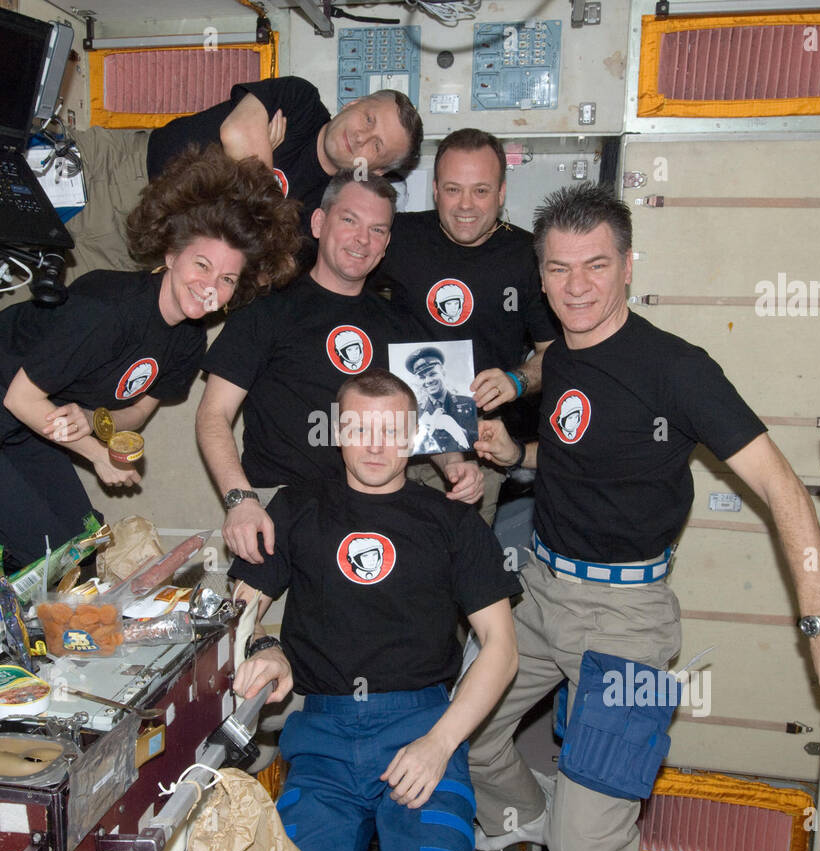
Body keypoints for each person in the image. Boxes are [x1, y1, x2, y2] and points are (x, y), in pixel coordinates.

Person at [468, 183, 820, 851]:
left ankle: (566, 835)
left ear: (629, 266)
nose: (577, 287)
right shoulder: (562, 352)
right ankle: (529, 820)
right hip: (535, 592)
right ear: (541, 276)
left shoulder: (678, 371)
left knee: (585, 846)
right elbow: (566, 413)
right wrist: (516, 441)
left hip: (627, 618)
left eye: (596, 265)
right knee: (470, 740)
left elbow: (784, 489)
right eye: (559, 268)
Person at [0, 146, 301, 570]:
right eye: (202, 264)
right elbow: (21, 399)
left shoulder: (189, 339)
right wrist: (97, 454)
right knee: (49, 558)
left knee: (85, 547)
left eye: (227, 278)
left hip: (28, 430)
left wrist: (95, 418)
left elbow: (136, 411)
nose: (211, 285)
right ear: (172, 255)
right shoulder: (109, 312)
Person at [229, 369, 520, 851]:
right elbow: (239, 609)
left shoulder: (451, 521)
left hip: (424, 727)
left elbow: (502, 647)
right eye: (360, 429)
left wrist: (441, 743)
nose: (374, 446)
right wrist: (265, 646)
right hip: (322, 737)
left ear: (413, 437)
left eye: (390, 431)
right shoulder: (298, 506)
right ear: (338, 431)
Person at [196, 171, 483, 567]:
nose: (362, 239)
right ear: (318, 223)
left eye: (377, 229)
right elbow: (213, 414)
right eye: (349, 220)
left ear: (385, 245)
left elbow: (430, 424)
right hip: (276, 512)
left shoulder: (403, 326)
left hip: (374, 510)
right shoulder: (265, 312)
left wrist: (457, 466)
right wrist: (239, 500)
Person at [371, 128, 556, 524]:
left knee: (460, 572)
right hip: (390, 441)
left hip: (476, 452)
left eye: (481, 191)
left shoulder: (527, 256)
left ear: (502, 193)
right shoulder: (398, 237)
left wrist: (518, 380)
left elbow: (553, 354)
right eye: (454, 190)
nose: (466, 205)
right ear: (435, 190)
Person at [66, 77, 423, 279]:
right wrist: (268, 213)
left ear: (375, 172)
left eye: (377, 147)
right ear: (353, 104)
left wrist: (255, 161)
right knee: (12, 187)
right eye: (369, 120)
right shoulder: (302, 101)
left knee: (17, 290)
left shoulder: (322, 212)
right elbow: (236, 132)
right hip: (118, 169)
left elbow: (266, 269)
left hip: (135, 249)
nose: (361, 137)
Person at [405, 346, 478, 454]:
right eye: (422, 377)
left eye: (433, 374)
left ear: (443, 373)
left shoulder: (469, 403)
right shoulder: (415, 412)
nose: (428, 380)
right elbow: (410, 449)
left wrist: (462, 432)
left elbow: (482, 436)